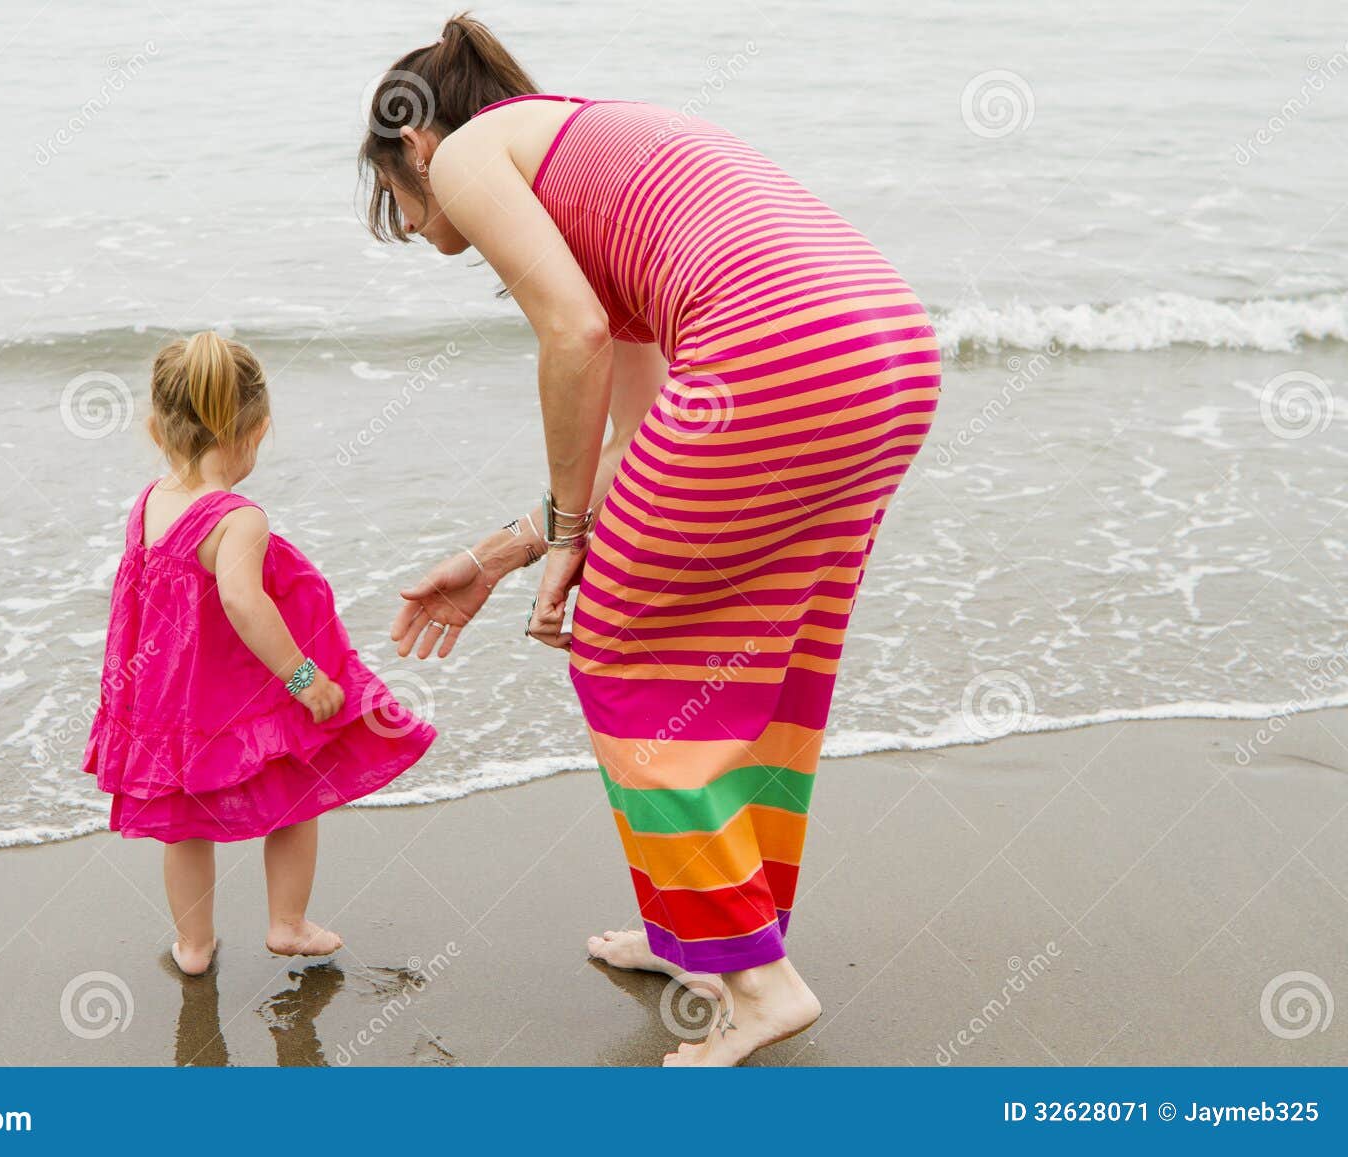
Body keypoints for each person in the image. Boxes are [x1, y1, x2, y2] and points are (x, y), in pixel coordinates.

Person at [362, 15, 939, 1064]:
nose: (411, 222)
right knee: (753, 658)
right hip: (883, 352)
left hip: (777, 355)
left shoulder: (477, 151)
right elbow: (640, 436)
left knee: (624, 656)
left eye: (396, 198)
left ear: (413, 145)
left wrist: (578, 534)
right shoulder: (587, 158)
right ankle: (711, 939)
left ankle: (759, 982)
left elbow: (570, 336)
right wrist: (515, 549)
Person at [81, 332, 436, 976]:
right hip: (243, 688)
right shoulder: (238, 516)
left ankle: (193, 946)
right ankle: (288, 924)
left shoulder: (151, 501)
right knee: (298, 794)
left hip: (168, 695)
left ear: (158, 428)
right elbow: (246, 605)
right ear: (258, 429)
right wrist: (303, 677)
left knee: (181, 824)